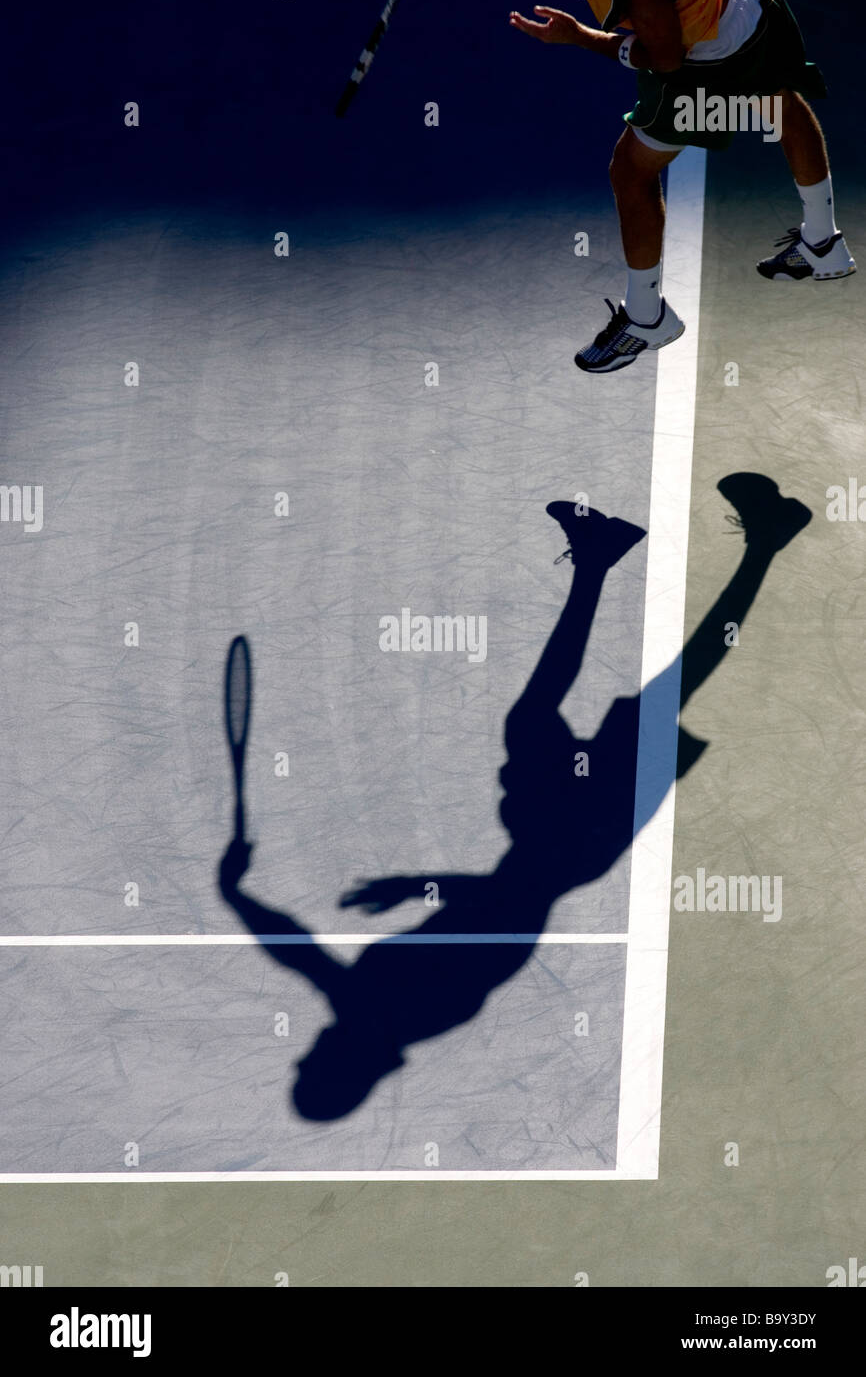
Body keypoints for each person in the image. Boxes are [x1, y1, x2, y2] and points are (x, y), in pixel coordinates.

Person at [219, 475, 810, 1120]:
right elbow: (511, 904)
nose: (304, 1053)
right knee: (670, 692)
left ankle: (596, 556)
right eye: (310, 1066)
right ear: (341, 1070)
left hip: (541, 833)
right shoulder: (419, 1013)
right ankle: (765, 543)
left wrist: (235, 895)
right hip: (574, 842)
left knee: (533, 716)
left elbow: (294, 951)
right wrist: (412, 885)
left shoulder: (364, 1005)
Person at [510, 0, 856, 373]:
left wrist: (579, 37)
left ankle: (646, 318)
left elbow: (666, 59)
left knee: (632, 170)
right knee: (780, 104)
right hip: (754, 6)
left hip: (714, 56)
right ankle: (823, 243)